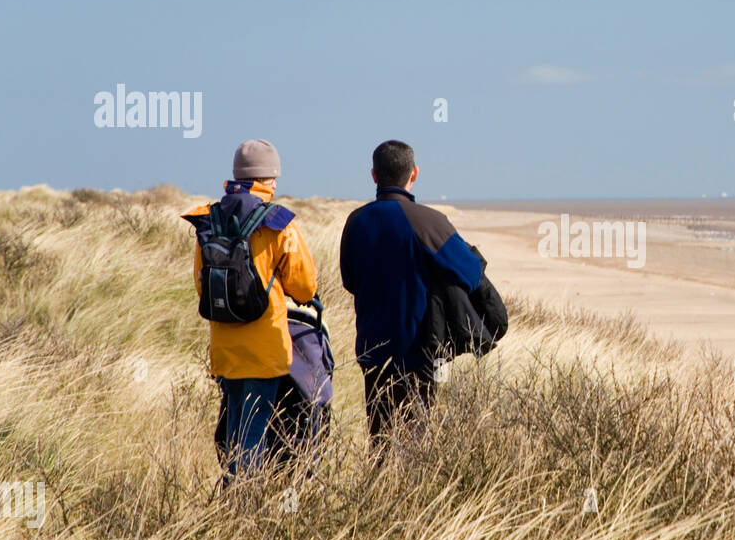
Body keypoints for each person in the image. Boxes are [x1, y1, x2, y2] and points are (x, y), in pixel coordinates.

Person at [340, 140, 505, 454]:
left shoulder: (356, 222)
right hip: (419, 352)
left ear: (374, 175)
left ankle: (378, 498)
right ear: (413, 174)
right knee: (414, 445)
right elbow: (471, 274)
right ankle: (409, 502)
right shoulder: (429, 221)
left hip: (373, 350)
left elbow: (350, 280)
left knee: (380, 442)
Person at [182, 140, 317, 482]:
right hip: (265, 350)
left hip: (225, 351)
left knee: (235, 429)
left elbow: (202, 285)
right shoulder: (277, 223)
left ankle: (232, 495)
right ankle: (241, 509)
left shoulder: (210, 219)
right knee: (252, 438)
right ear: (269, 179)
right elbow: (304, 287)